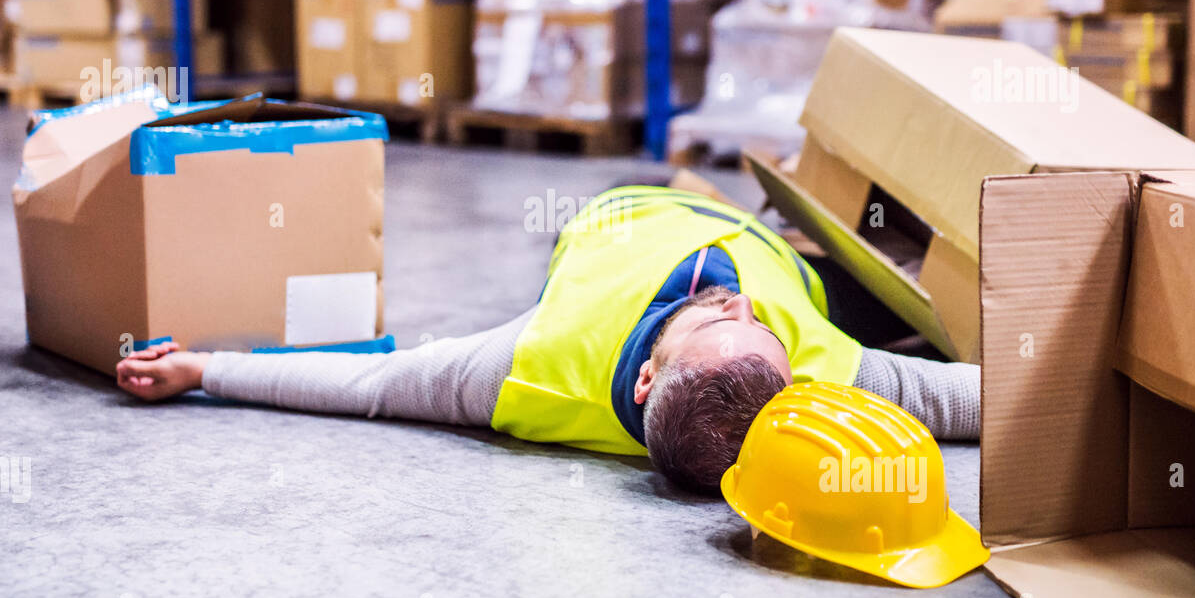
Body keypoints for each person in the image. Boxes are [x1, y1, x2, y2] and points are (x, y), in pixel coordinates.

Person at [117, 184, 979, 495]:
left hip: (624, 209)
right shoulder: (820, 381)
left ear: (642, 383)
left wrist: (204, 368)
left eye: (734, 317)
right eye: (743, 321)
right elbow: (968, 397)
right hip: (722, 219)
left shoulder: (529, 371)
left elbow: (376, 383)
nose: (744, 304)